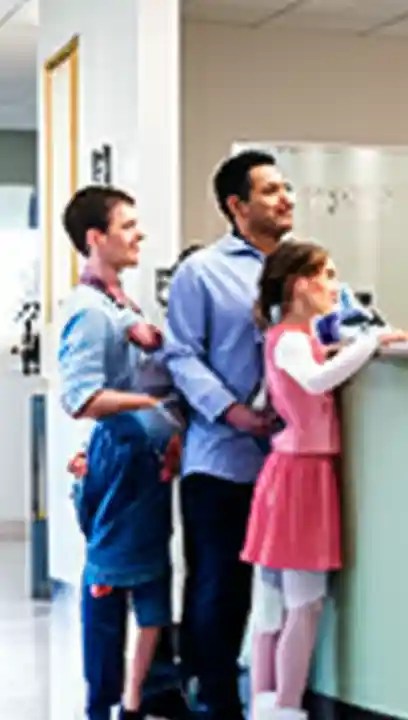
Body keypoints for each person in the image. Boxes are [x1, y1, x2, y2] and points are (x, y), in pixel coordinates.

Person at [239, 242, 408, 718]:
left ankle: (267, 702)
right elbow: (317, 381)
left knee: (276, 604)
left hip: (291, 474)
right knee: (304, 604)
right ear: (301, 284)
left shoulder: (290, 337)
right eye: (328, 275)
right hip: (300, 478)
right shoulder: (291, 338)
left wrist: (357, 345)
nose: (336, 287)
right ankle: (286, 704)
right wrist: (370, 342)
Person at [165, 150, 292, 718]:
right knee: (220, 585)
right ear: (236, 206)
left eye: (286, 188)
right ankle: (209, 697)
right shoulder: (203, 272)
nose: (285, 199)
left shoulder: (300, 269)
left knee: (285, 590)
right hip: (222, 459)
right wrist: (234, 413)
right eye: (270, 191)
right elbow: (181, 356)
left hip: (286, 461)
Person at [57, 186, 187, 720]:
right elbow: (81, 397)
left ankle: (138, 700)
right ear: (96, 238)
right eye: (128, 226)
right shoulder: (89, 311)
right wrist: (152, 407)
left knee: (152, 577)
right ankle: (103, 704)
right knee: (111, 581)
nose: (140, 235)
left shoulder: (118, 302)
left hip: (143, 463)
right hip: (123, 464)